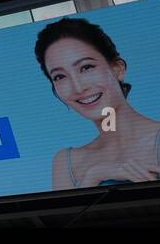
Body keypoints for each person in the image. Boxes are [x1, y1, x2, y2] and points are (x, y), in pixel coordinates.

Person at [35, 18, 160, 189]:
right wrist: (94, 175)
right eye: (60, 76)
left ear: (118, 69)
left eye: (86, 67)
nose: (78, 88)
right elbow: (69, 215)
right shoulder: (66, 162)